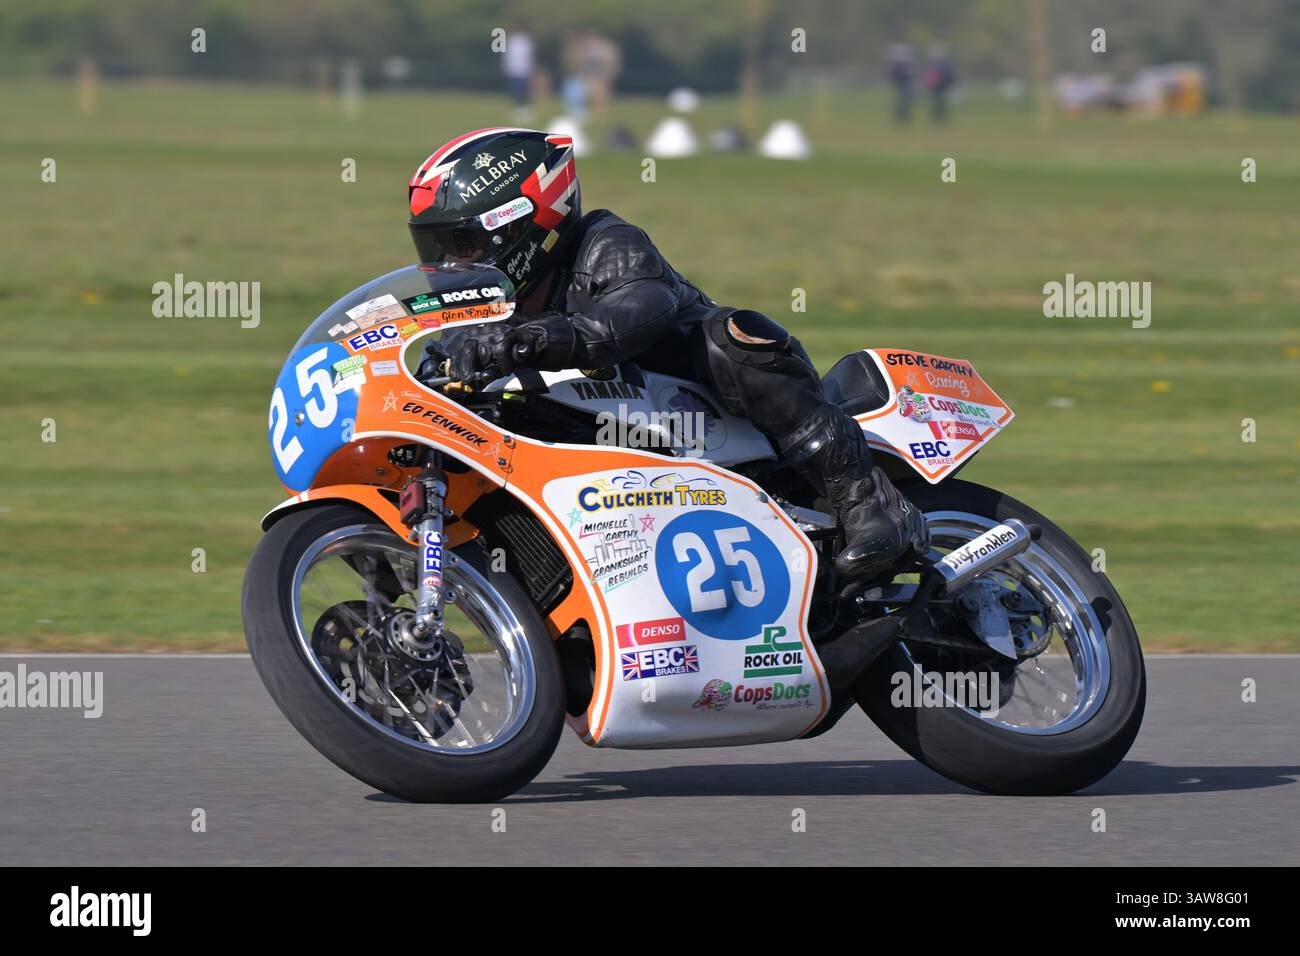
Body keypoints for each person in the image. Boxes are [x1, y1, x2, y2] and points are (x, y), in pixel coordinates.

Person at [406, 128, 928, 583]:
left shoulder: (608, 244)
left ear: (523, 223)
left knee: (733, 337)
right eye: (437, 249)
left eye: (462, 245)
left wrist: (529, 340)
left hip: (705, 415)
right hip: (614, 465)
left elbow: (633, 316)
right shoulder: (485, 305)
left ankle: (871, 503)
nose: (449, 264)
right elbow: (437, 363)